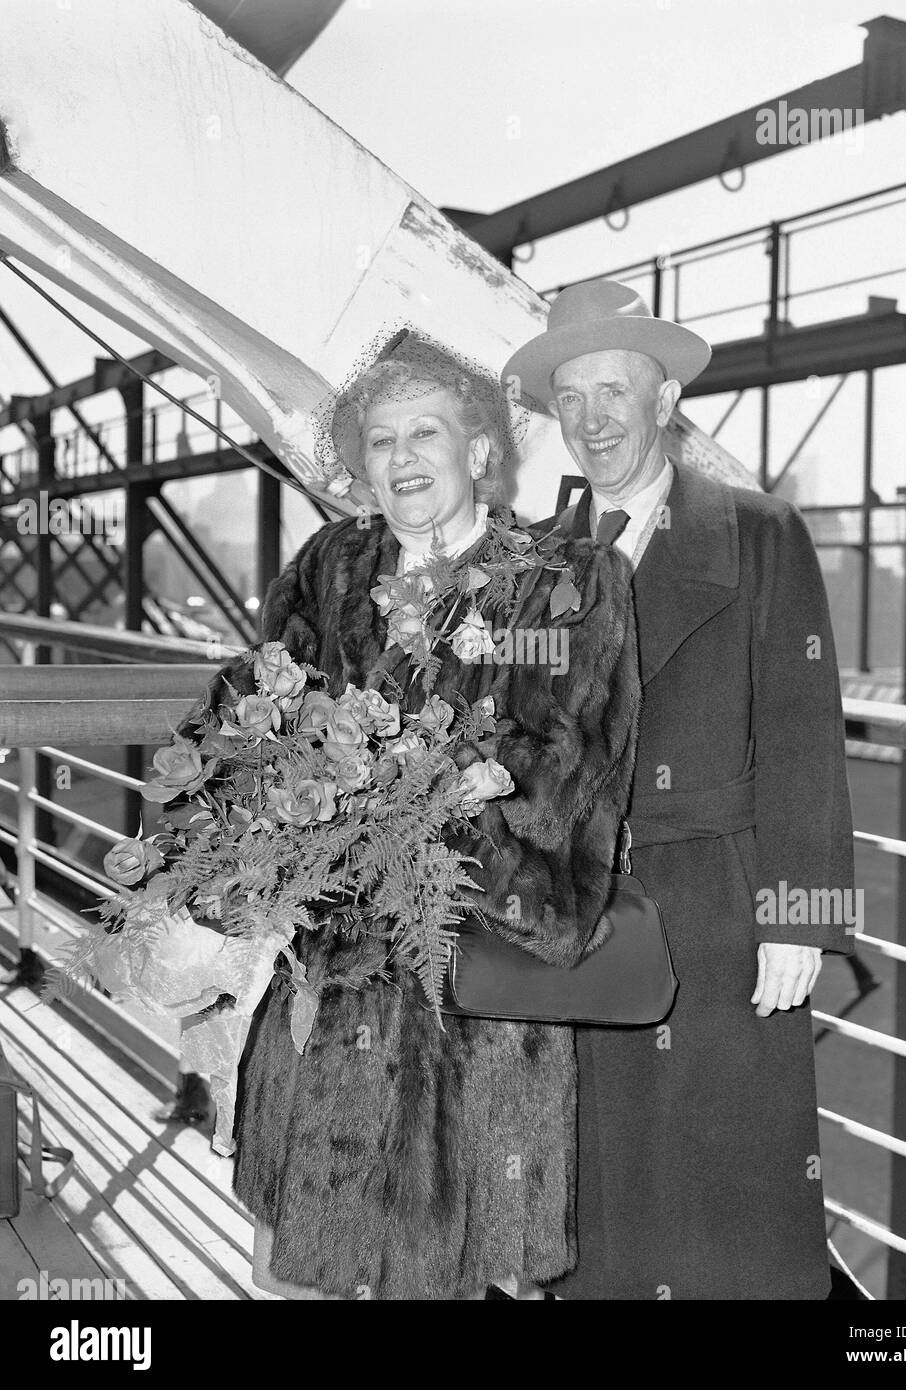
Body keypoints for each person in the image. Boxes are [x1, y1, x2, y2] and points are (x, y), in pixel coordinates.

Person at [185, 333, 640, 1300]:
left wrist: (388, 796)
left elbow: (562, 773)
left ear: (479, 451)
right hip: (326, 988)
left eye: (424, 433)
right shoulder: (329, 565)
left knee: (461, 1266)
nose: (400, 459)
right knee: (302, 1269)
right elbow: (247, 710)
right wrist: (229, 828)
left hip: (475, 998)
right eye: (379, 440)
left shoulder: (565, 581)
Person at [502, 280, 856, 1300]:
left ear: (662, 403)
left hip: (721, 909)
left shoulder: (759, 535)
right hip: (580, 919)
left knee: (725, 1188)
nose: (592, 420)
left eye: (614, 392)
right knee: (597, 1200)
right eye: (570, 400)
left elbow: (802, 735)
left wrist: (804, 918)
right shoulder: (531, 564)